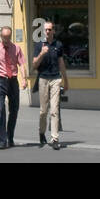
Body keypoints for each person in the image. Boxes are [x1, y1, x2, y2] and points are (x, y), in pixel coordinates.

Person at [32, 19, 68, 149]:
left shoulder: (58, 45)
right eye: (45, 30)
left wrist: (66, 80)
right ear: (43, 31)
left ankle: (54, 138)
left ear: (53, 30)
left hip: (55, 79)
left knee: (54, 110)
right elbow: (34, 65)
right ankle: (41, 133)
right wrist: (42, 53)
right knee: (43, 111)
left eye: (50, 29)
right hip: (43, 79)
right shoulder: (38, 45)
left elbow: (61, 63)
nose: (47, 31)